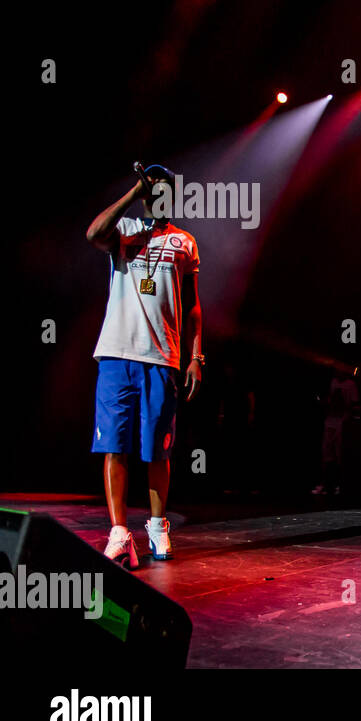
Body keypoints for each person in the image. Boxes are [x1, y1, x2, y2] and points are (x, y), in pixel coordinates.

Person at [85, 164, 202, 569]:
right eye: (152, 190)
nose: (158, 196)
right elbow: (93, 234)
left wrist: (195, 357)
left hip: (161, 358)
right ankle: (120, 533)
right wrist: (133, 192)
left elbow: (193, 308)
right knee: (114, 446)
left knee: (157, 449)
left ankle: (156, 525)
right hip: (117, 353)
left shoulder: (185, 242)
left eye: (164, 190)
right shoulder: (125, 229)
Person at [313, 367, 359, 496]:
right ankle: (325, 484)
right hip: (330, 422)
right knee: (326, 454)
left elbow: (353, 403)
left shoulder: (350, 384)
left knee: (340, 455)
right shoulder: (333, 382)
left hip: (342, 422)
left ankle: (340, 484)